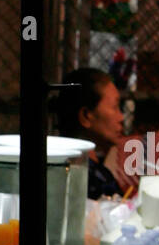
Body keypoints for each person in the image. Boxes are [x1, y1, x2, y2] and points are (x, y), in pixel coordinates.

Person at [53, 68, 127, 198]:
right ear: (86, 116)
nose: (121, 118)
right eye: (115, 107)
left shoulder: (57, 169)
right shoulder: (89, 182)